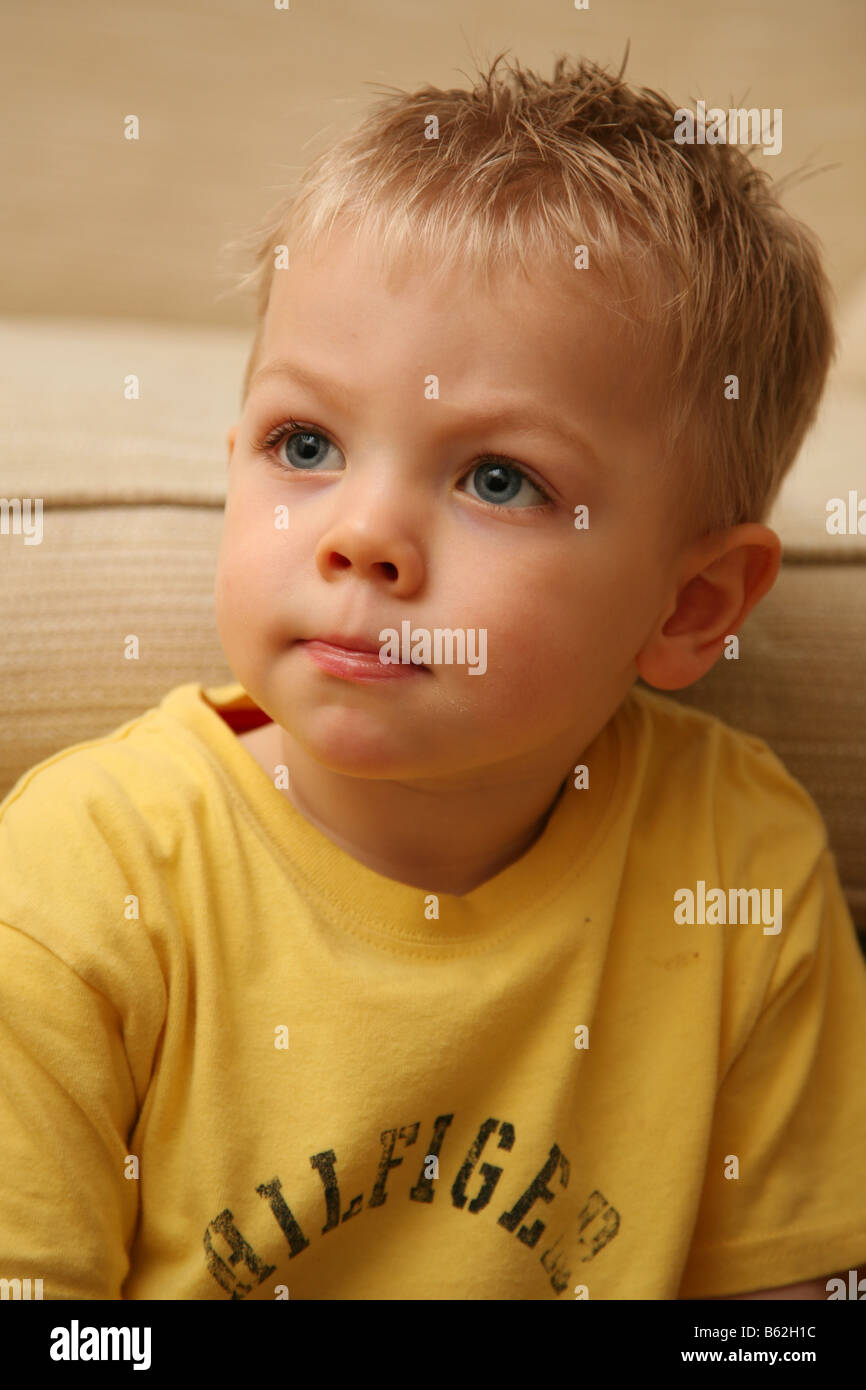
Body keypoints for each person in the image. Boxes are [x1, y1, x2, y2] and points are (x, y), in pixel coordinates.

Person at [1, 51, 864, 1301]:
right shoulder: (81, 882)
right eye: (305, 444)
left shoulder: (735, 862)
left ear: (688, 608)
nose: (360, 536)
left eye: (497, 478)